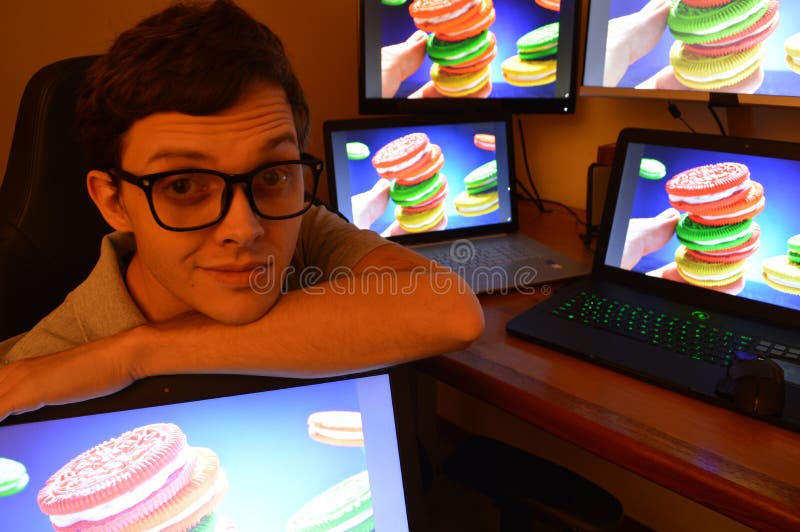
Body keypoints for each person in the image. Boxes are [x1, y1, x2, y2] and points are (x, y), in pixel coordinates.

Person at [0, 0, 484, 420]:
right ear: (113, 201)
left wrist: (137, 352)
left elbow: (450, 313)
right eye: (183, 186)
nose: (244, 228)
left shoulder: (301, 225)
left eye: (272, 175)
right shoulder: (34, 381)